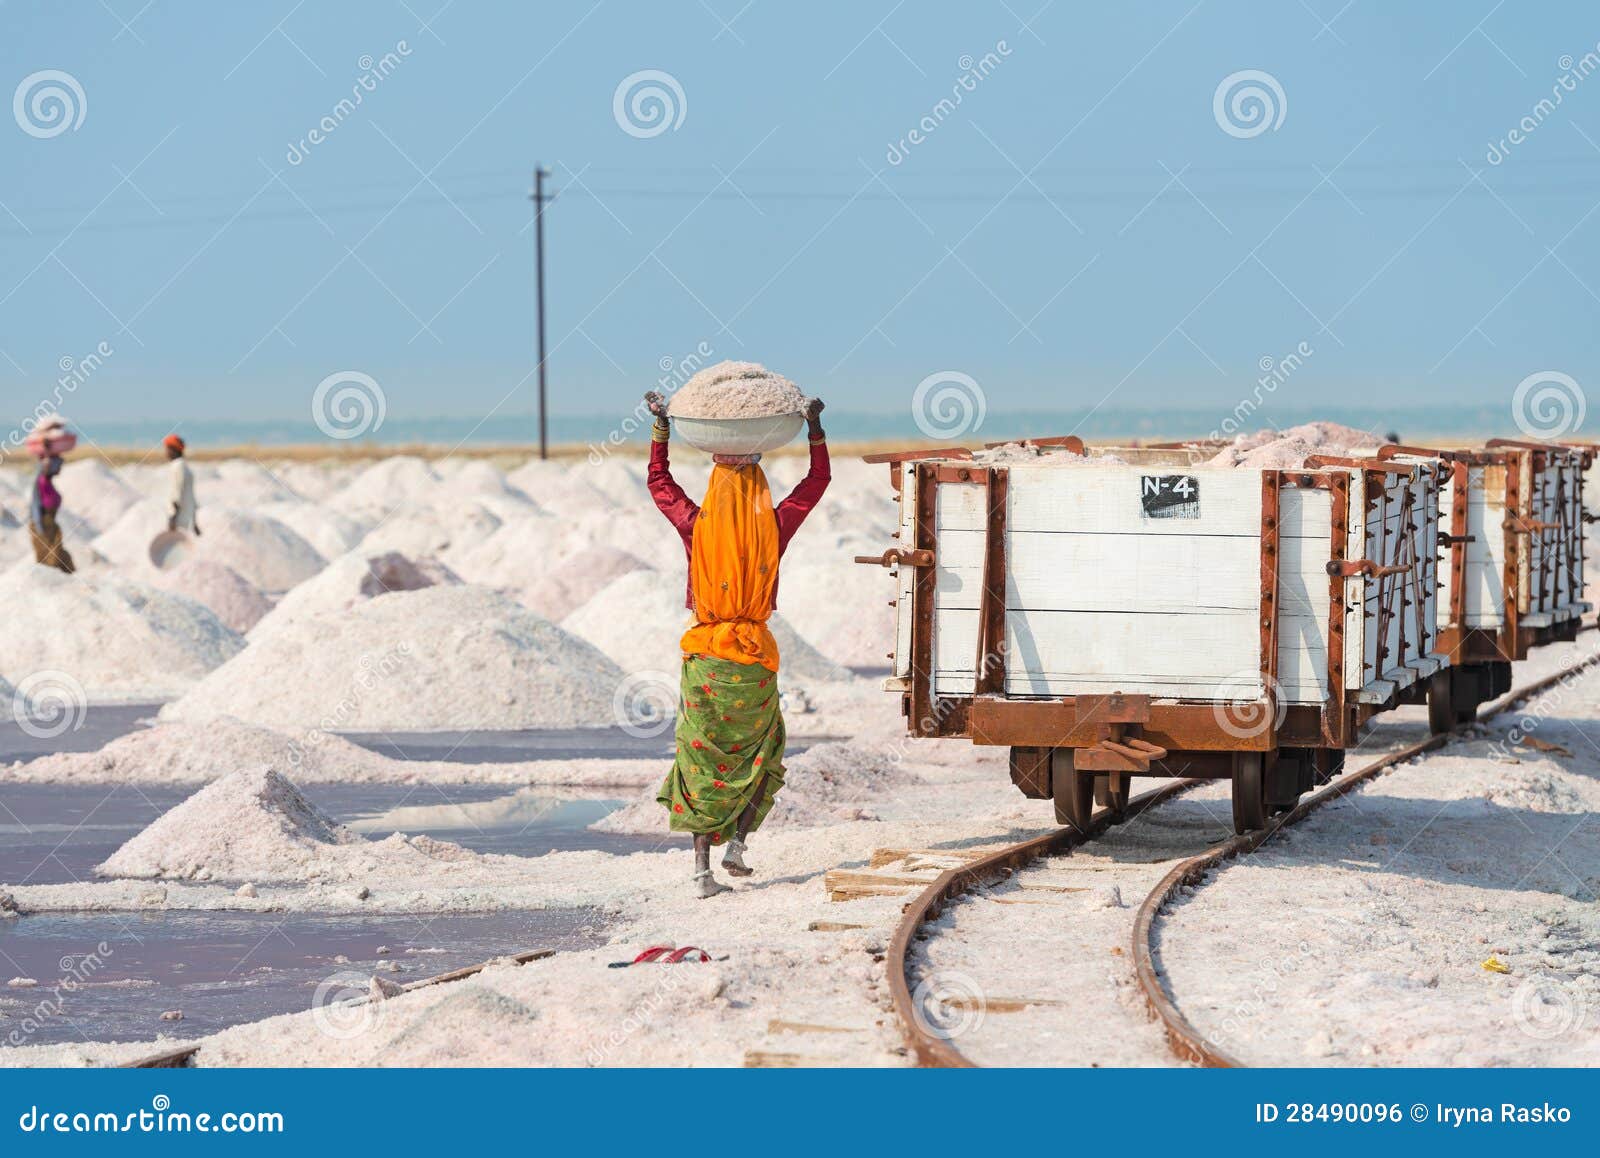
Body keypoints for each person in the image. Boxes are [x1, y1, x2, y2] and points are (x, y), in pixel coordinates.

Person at [646, 391, 829, 898]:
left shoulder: (696, 525)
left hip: (707, 660)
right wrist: (815, 429)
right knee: (762, 750)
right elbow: (818, 483)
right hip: (752, 661)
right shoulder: (772, 525)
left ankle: (701, 872)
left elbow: (659, 483)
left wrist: (661, 429)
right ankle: (739, 845)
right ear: (758, 490)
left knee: (702, 760)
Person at [29, 453, 73, 573]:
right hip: (42, 523)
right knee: (50, 555)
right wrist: (39, 526)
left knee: (59, 553)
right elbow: (35, 506)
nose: (59, 469)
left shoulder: (47, 481)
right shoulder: (41, 480)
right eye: (57, 467)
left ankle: (68, 578)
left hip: (50, 522)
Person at [163, 434, 200, 535]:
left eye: (167, 449)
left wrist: (173, 517)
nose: (165, 452)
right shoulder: (184, 466)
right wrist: (194, 521)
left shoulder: (178, 466)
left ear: (174, 450)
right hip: (186, 514)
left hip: (179, 516)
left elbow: (177, 490)